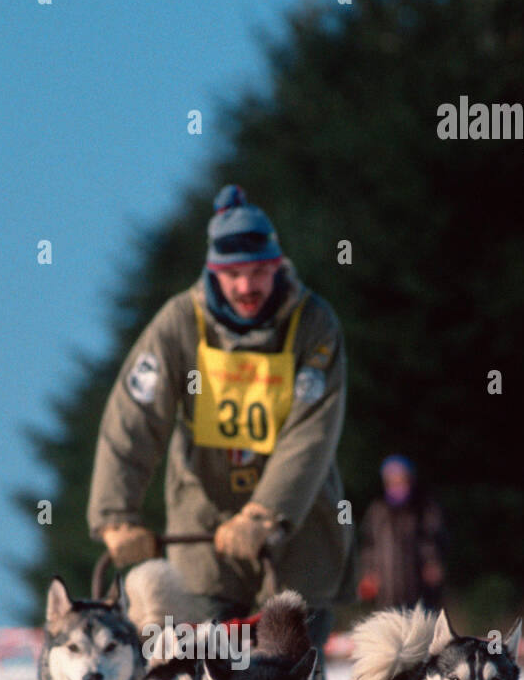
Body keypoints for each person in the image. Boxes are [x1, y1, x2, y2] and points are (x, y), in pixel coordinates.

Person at [87, 185, 351, 653]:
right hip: (203, 531)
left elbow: (311, 433)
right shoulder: (179, 323)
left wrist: (266, 513)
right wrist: (115, 516)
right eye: (234, 276)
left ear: (277, 266)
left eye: (259, 272)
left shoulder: (314, 324)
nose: (247, 288)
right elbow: (134, 416)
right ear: (213, 272)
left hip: (298, 535)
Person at [357, 455, 446, 610]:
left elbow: (434, 538)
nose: (397, 486)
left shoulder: (424, 508)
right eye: (392, 481)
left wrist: (433, 562)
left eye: (402, 480)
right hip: (386, 584)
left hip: (417, 582)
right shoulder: (377, 510)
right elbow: (368, 543)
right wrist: (369, 571)